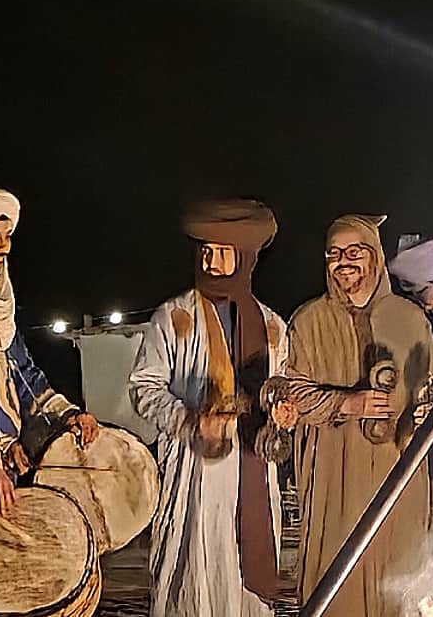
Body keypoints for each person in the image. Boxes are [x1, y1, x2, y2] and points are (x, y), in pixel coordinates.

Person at [128, 198, 288, 617]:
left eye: (224, 251)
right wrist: (188, 420)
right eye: (207, 251)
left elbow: (281, 390)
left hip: (254, 470)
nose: (214, 262)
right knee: (195, 580)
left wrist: (283, 414)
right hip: (194, 474)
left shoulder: (272, 326)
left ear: (246, 257)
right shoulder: (174, 316)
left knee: (245, 587)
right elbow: (144, 386)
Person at [284, 214, 433, 616]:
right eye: (335, 253)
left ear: (375, 257)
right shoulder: (308, 322)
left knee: (400, 576)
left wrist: (424, 408)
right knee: (336, 580)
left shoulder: (409, 318)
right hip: (334, 475)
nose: (344, 261)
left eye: (354, 251)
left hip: (397, 472)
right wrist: (346, 403)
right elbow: (293, 391)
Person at [0, 187, 100, 516]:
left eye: (7, 236)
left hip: (7, 468)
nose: (3, 246)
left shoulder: (0, 313)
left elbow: (25, 377)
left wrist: (68, 415)